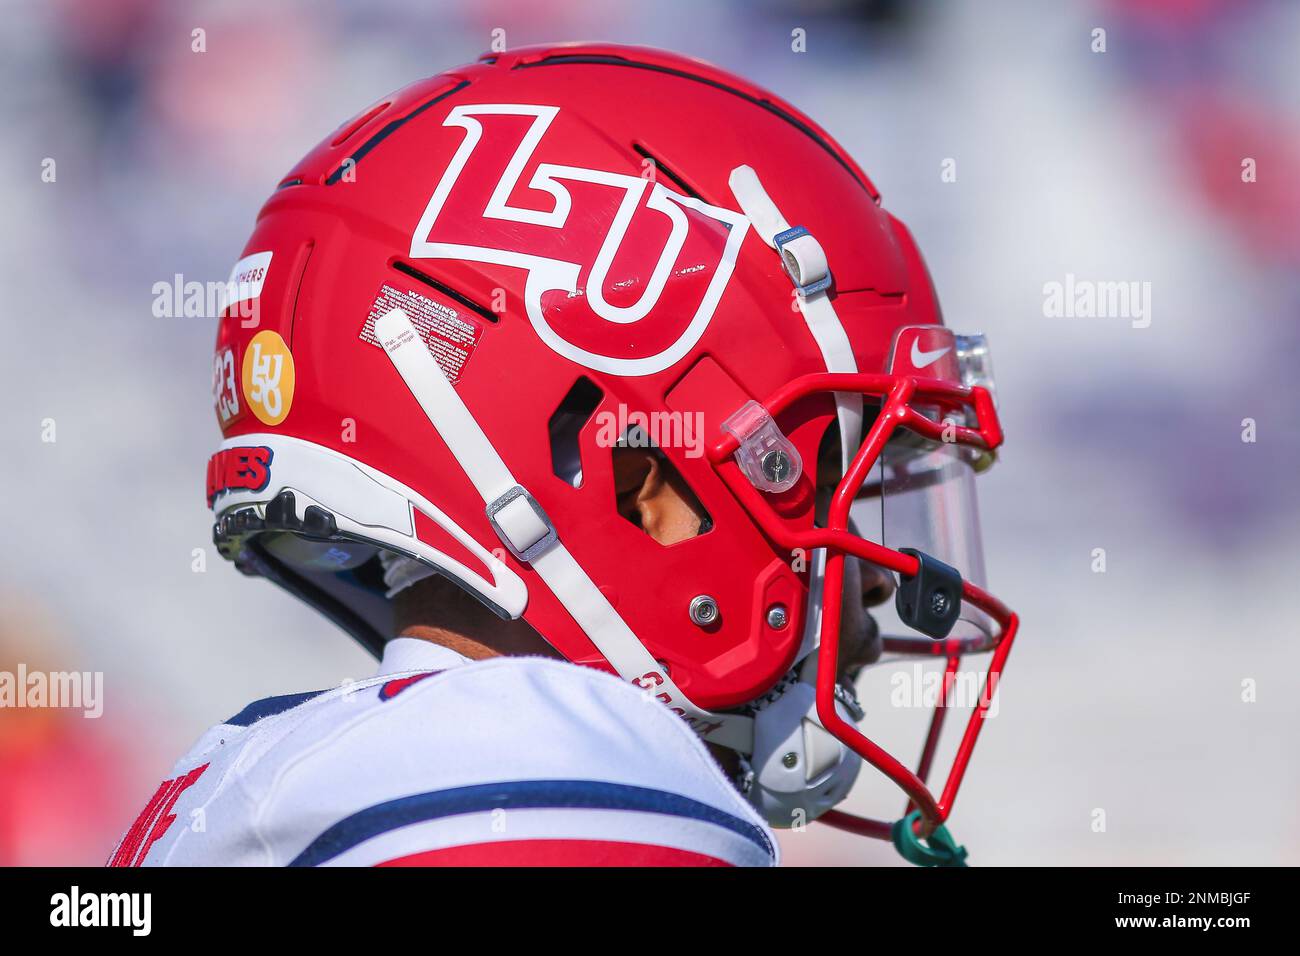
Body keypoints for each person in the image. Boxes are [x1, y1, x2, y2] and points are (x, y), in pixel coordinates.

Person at [113, 42, 1017, 867]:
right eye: (822, 485)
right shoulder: (551, 785)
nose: (871, 581)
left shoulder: (262, 781)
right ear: (642, 478)